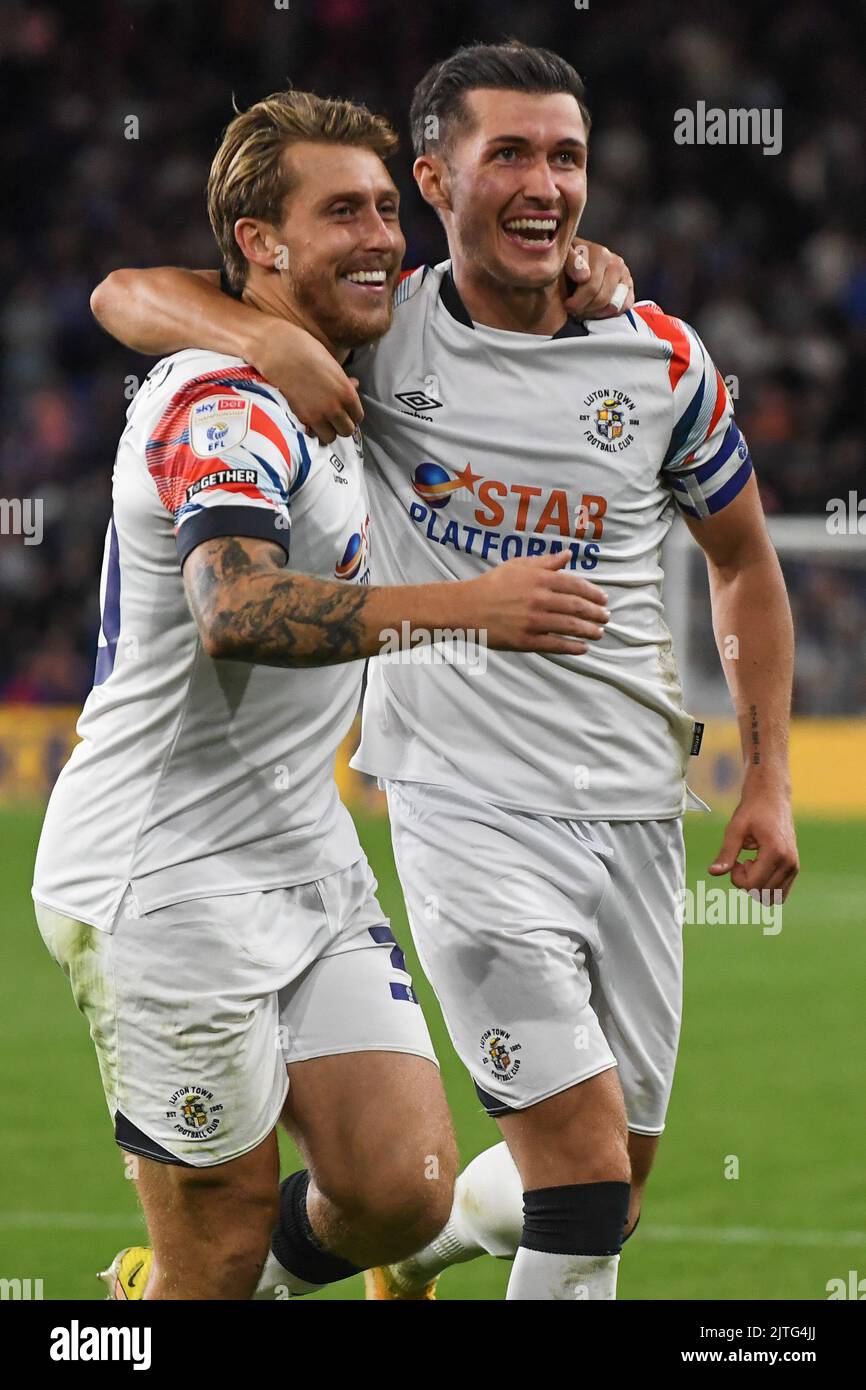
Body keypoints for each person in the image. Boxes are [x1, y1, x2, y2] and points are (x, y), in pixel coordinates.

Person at [92, 41, 799, 1303]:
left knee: (602, 1182)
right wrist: (266, 334)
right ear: (436, 177)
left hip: (636, 803)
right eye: (509, 154)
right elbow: (124, 297)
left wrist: (768, 776)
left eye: (565, 156)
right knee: (578, 1181)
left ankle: (397, 1253)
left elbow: (742, 561)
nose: (543, 184)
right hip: (459, 799)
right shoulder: (379, 329)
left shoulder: (658, 359)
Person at [33, 86, 615, 1302]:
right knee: (221, 1238)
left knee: (401, 1188)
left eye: (383, 208)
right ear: (260, 242)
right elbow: (235, 609)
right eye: (338, 211)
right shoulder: (223, 405)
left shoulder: (355, 352)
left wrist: (584, 264)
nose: (378, 237)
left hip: (300, 849)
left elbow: (121, 290)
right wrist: (472, 606)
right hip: (161, 878)